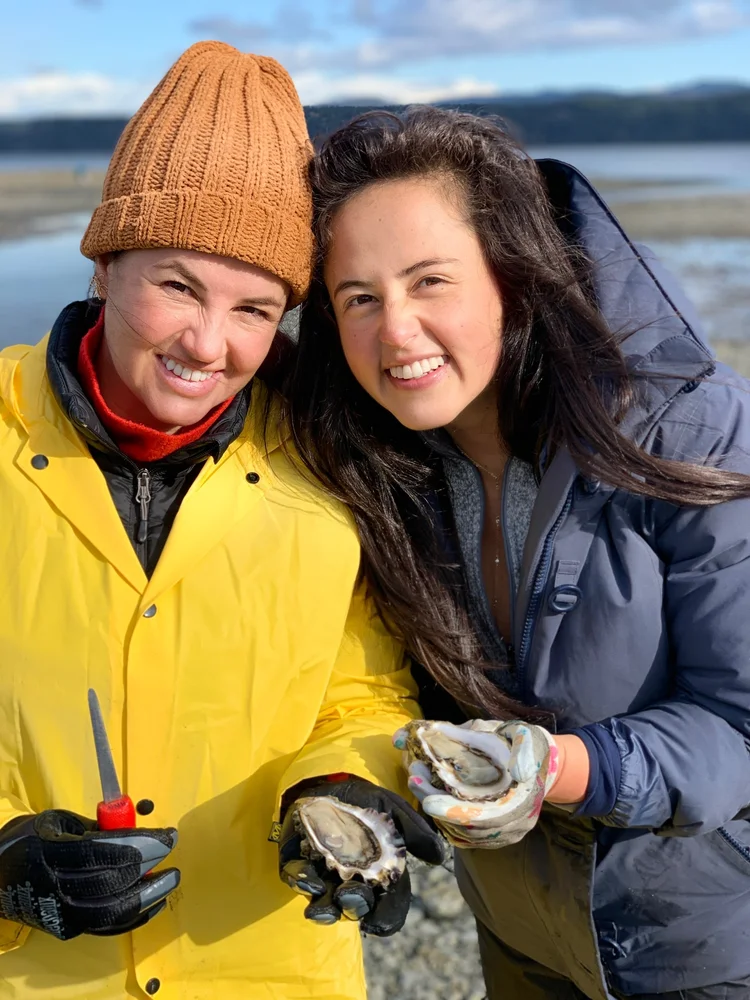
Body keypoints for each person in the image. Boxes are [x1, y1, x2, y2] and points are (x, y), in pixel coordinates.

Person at [0, 46, 442, 1000]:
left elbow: (363, 697)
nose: (210, 344)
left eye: (256, 307)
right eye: (178, 285)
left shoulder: (327, 467)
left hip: (268, 969)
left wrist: (342, 792)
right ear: (107, 260)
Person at [286, 106, 750, 1000]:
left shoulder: (688, 428)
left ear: (514, 275)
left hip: (703, 942)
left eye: (431, 281)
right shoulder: (376, 466)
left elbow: (740, 723)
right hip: (519, 934)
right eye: (359, 298)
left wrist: (561, 769)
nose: (397, 331)